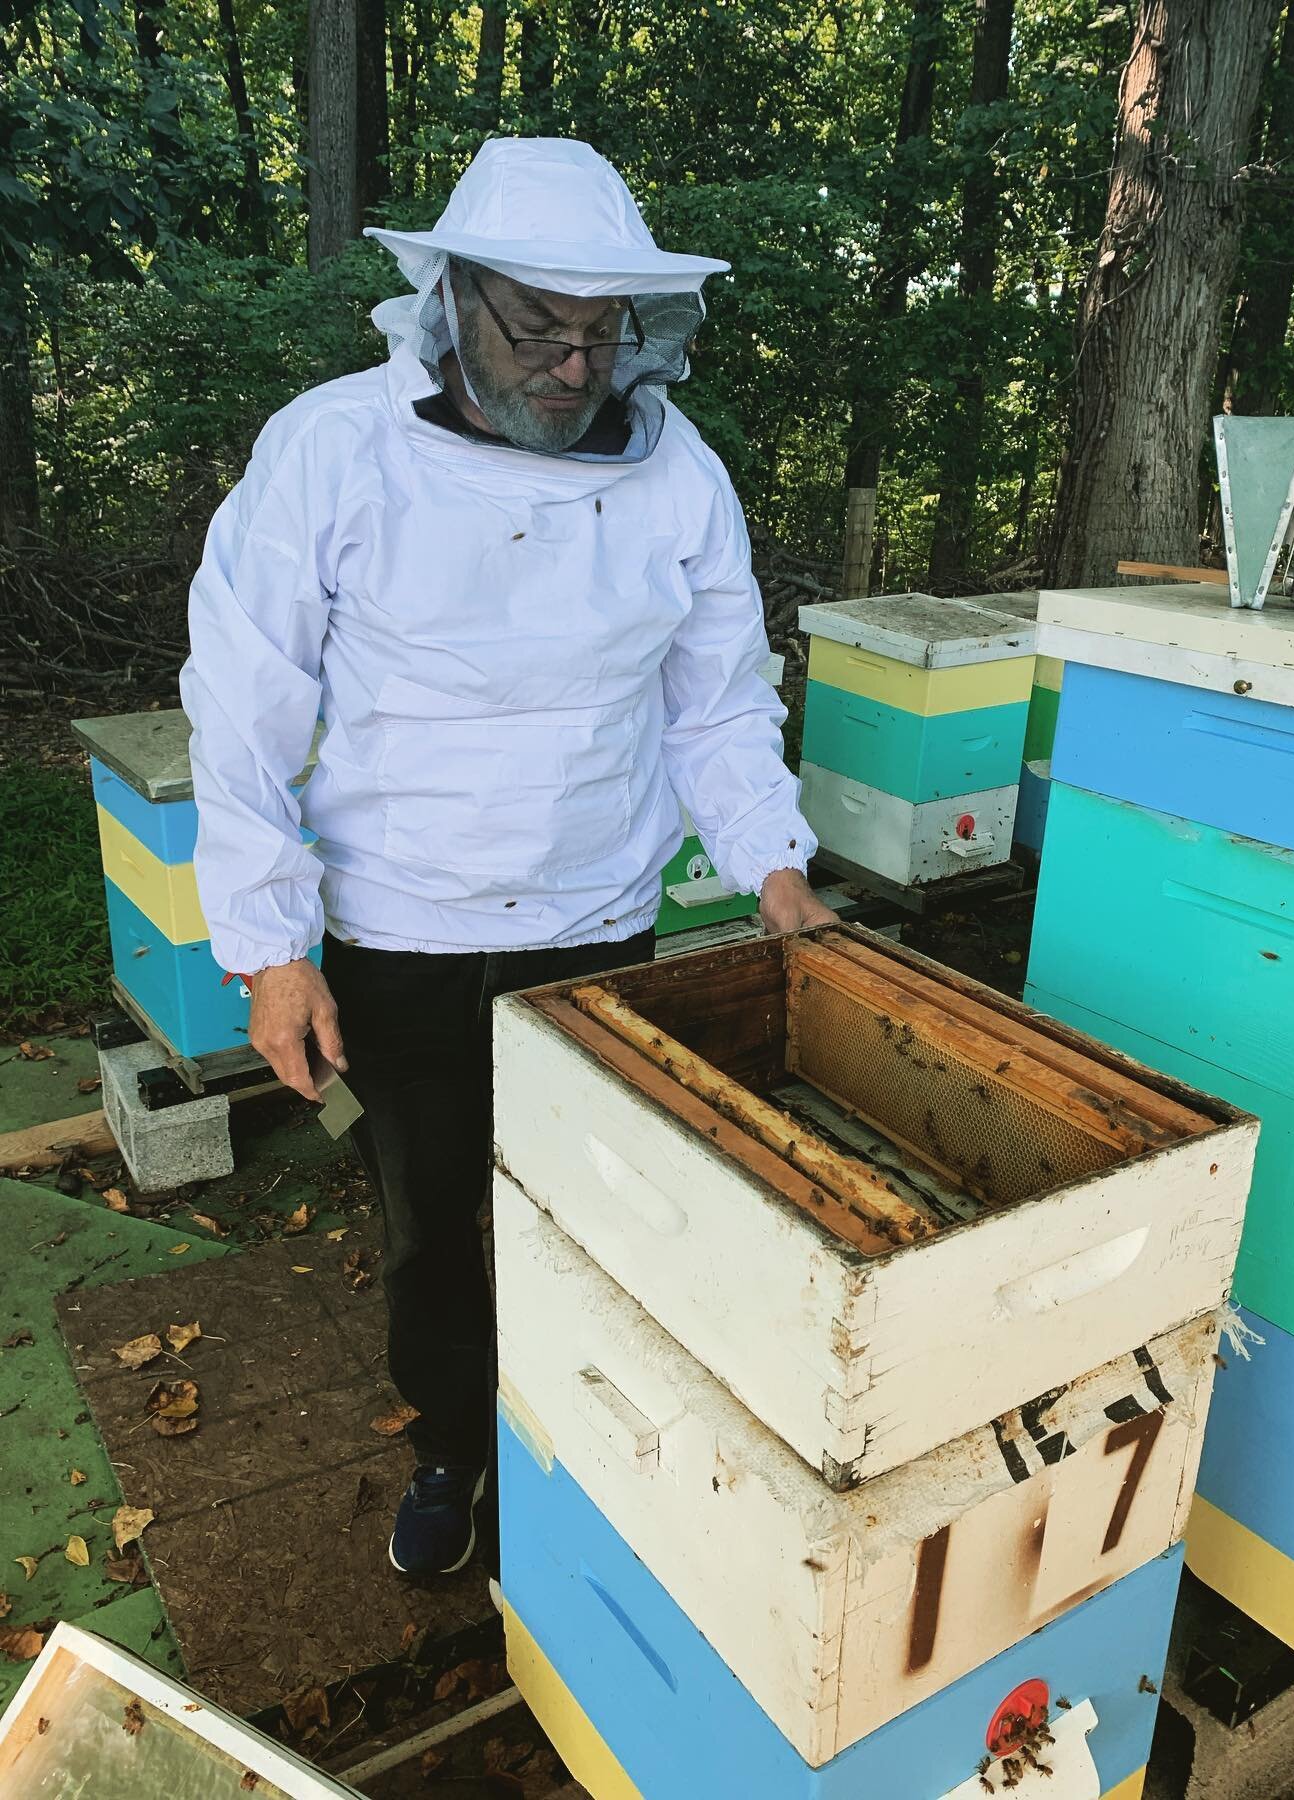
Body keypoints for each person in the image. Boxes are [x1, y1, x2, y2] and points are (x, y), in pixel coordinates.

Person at [179, 137, 836, 1587]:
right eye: (537, 327)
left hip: (595, 915)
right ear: (455, 301)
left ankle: (585, 1442)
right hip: (397, 921)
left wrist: (773, 865)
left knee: (598, 1203)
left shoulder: (682, 479)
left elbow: (715, 703)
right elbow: (242, 706)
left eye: (597, 334)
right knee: (430, 1221)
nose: (569, 362)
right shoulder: (333, 449)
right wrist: (269, 945)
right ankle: (453, 1446)